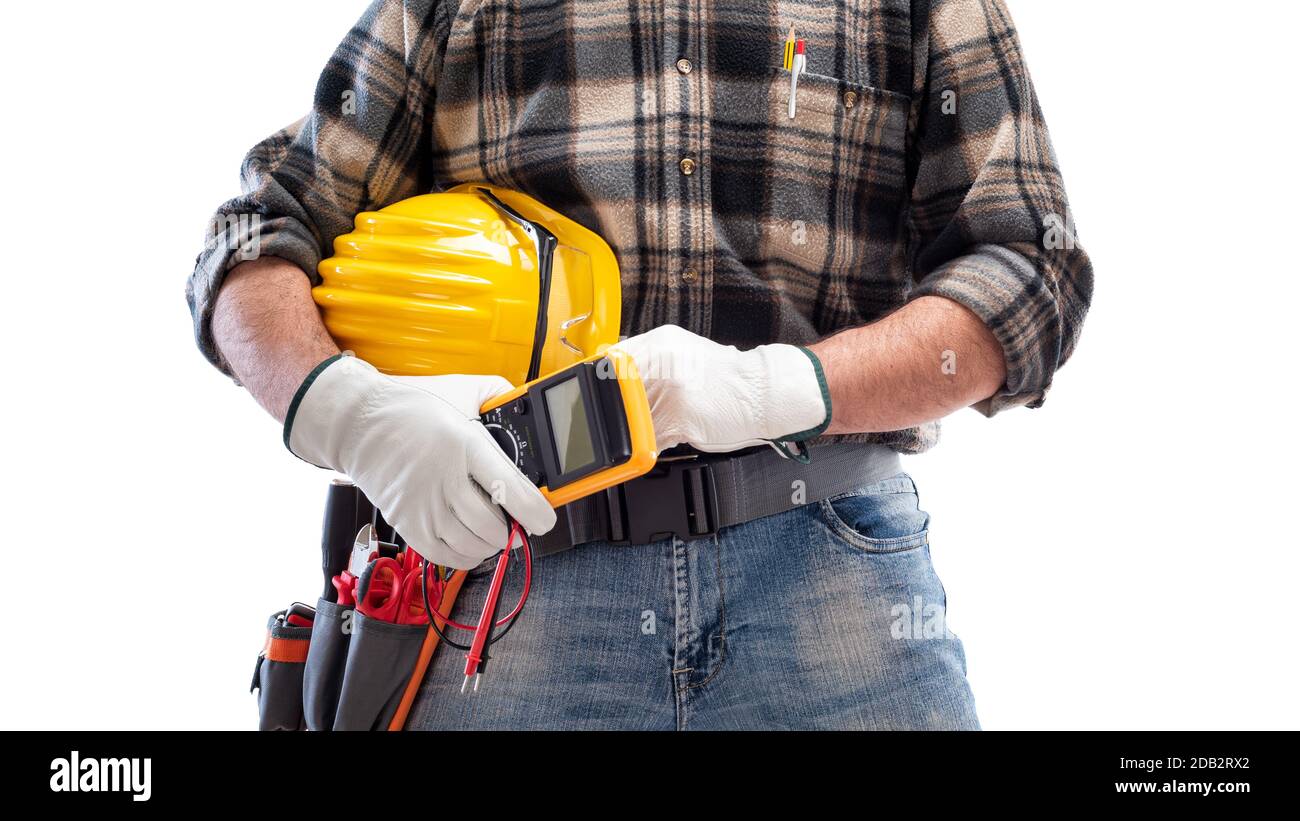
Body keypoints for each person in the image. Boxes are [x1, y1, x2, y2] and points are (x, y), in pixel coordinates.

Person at [189, 0, 1091, 730]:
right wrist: (344, 413)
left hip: (834, 571)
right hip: (513, 587)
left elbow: (1028, 270)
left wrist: (774, 391)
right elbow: (257, 231)